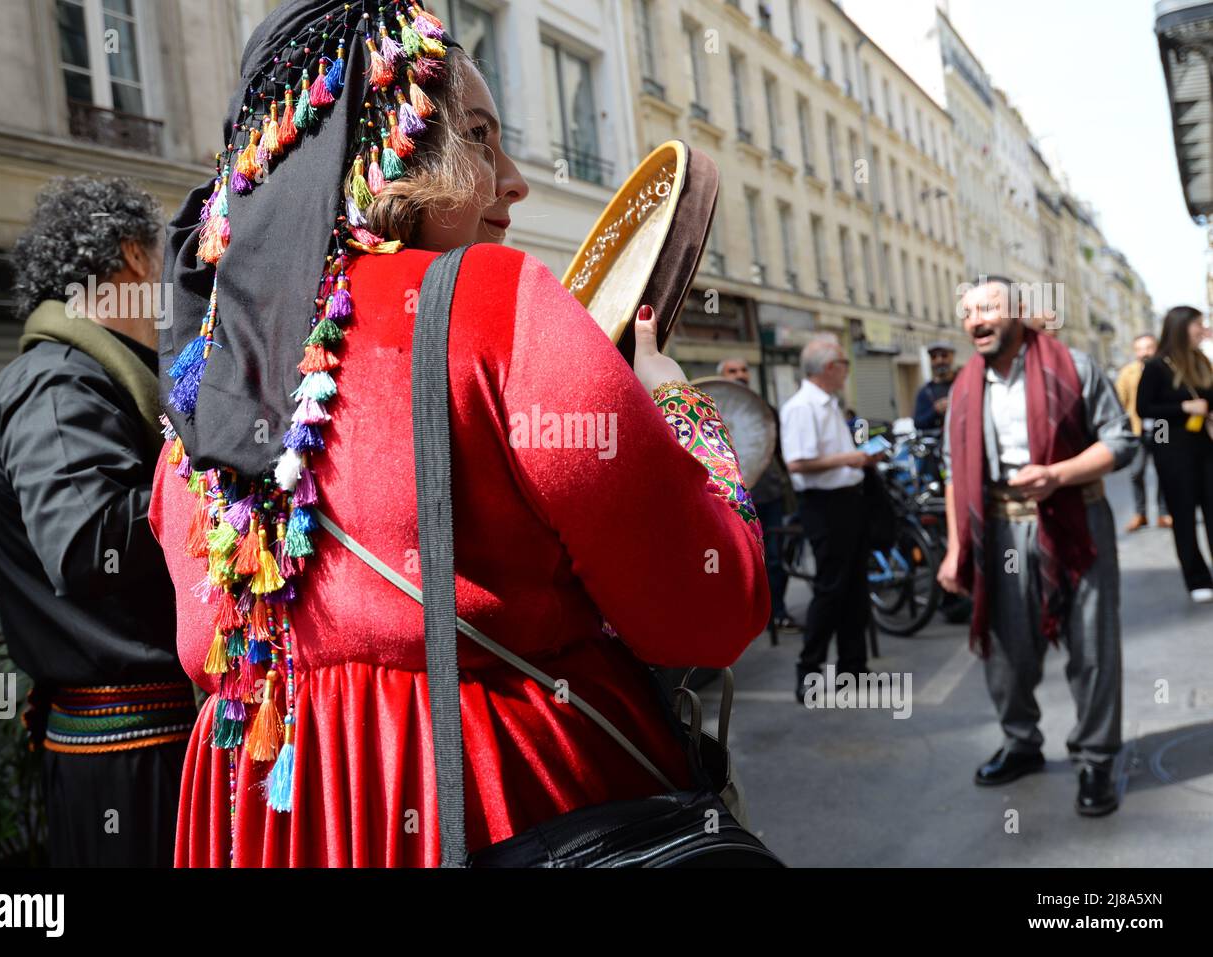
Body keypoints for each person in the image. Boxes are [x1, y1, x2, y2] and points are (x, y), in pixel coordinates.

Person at [150, 1, 768, 867]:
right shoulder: (497, 301)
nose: (513, 179)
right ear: (393, 146)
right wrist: (679, 409)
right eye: (479, 136)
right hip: (500, 796)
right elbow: (709, 610)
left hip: (265, 816)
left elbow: (198, 648)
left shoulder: (198, 391)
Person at [0, 176, 192, 866]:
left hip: (141, 747)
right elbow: (89, 543)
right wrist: (211, 461)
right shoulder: (57, 382)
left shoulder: (87, 373)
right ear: (132, 257)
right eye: (163, 253)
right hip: (130, 757)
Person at [937, 276, 1136, 817]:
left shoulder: (1073, 366)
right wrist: (956, 549)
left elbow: (1122, 441)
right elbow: (956, 471)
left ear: (1019, 311)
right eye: (968, 311)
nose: (977, 319)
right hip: (998, 529)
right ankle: (1021, 742)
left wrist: (1059, 474)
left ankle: (1095, 759)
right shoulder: (962, 387)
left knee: (1092, 645)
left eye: (989, 307)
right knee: (1006, 648)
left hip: (1076, 518)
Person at [780, 336, 878, 703]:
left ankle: (854, 671)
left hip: (847, 501)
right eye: (844, 363)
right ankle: (809, 672)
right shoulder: (803, 407)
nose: (847, 371)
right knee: (831, 588)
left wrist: (858, 459)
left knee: (853, 588)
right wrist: (848, 460)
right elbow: (798, 463)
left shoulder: (827, 404)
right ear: (829, 368)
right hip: (825, 505)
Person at [717, 357, 800, 633]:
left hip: (769, 494)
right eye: (733, 370)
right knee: (740, 562)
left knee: (776, 557)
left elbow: (778, 452)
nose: (740, 374)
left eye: (743, 370)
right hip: (732, 501)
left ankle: (777, 613)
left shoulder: (766, 410)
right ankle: (746, 618)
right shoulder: (710, 408)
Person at [1136, 307, 1213, 603]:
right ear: (1182, 328)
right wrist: (1183, 409)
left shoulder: (1201, 361)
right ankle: (1197, 578)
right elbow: (1145, 408)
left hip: (1205, 447)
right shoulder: (1156, 366)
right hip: (1172, 451)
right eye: (1197, 324)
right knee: (1183, 515)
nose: (1201, 329)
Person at [1115, 332, 1170, 532]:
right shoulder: (1127, 373)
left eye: (1148, 347)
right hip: (1137, 429)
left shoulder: (1166, 369)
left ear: (1156, 347)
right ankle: (1141, 514)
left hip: (1162, 427)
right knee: (1135, 472)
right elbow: (1118, 401)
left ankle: (1165, 513)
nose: (1144, 352)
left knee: (1164, 470)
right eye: (1140, 348)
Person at [912, 342, 955, 431]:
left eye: (944, 355)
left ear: (952, 357)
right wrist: (935, 410)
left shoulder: (962, 384)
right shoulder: (925, 391)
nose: (939, 361)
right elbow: (918, 423)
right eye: (934, 357)